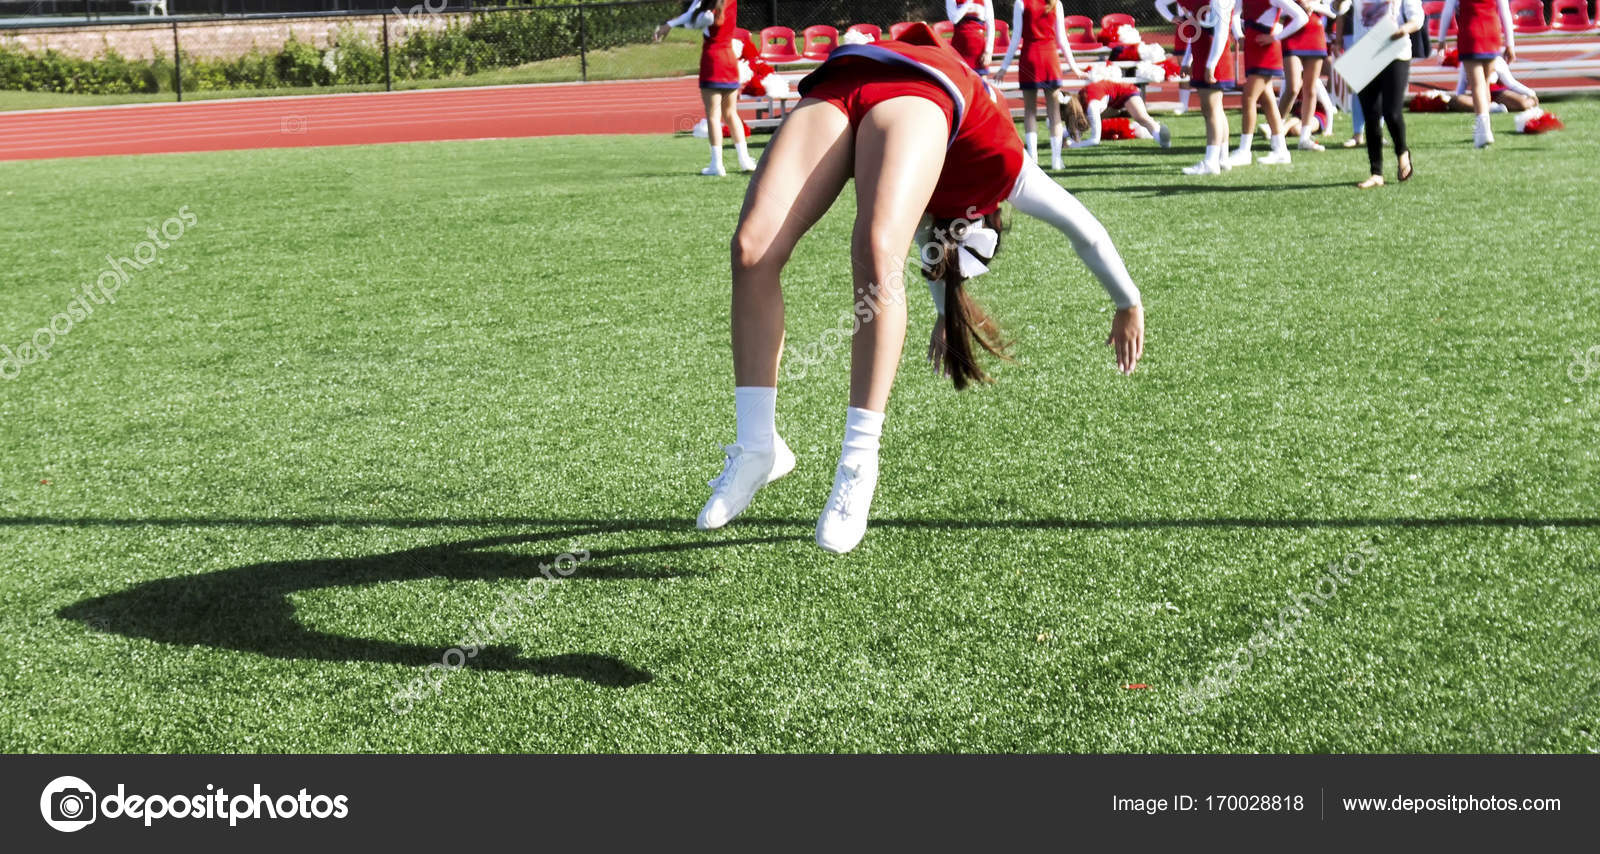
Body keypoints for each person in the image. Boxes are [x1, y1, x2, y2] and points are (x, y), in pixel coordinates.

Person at [698, 24, 1145, 553]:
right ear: (991, 221)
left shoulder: (934, 221)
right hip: (874, 72)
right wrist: (1127, 301)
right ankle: (757, 445)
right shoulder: (1007, 171)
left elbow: (935, 256)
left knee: (876, 250)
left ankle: (858, 461)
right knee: (751, 250)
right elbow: (1085, 230)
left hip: (901, 92)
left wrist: (942, 312)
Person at [655, 0, 756, 176]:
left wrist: (669, 25)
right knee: (732, 114)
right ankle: (745, 160)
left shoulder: (706, 14)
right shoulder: (731, 2)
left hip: (713, 61)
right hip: (730, 60)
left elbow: (690, 20)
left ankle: (717, 165)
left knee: (713, 116)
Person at [997, 0, 1083, 169]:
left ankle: (1034, 160)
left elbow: (1015, 39)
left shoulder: (1021, 3)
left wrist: (1003, 67)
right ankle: (1056, 160)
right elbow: (1062, 39)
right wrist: (1074, 67)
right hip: (1050, 59)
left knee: (1029, 111)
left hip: (1029, 58)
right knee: (1054, 112)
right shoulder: (1055, 3)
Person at [1351, 0, 1423, 188]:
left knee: (1392, 112)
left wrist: (1402, 30)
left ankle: (1402, 152)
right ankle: (1376, 173)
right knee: (1371, 114)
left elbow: (1417, 18)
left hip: (1395, 50)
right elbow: (1336, 9)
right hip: (1364, 51)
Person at [1229, 0, 1309, 165]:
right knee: (1268, 101)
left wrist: (1275, 37)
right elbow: (1234, 13)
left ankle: (1244, 150)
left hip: (1266, 52)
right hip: (1252, 47)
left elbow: (1301, 17)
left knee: (1249, 98)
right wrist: (1239, 35)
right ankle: (1281, 150)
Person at [1436, 0, 1515, 148]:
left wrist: (1441, 40)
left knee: (1477, 84)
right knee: (1485, 82)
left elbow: (1447, 11)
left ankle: (1483, 129)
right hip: (1492, 33)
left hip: (1470, 34)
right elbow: (1505, 11)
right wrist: (1510, 44)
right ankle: (1484, 128)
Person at [1176, 0, 1239, 174]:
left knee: (1211, 110)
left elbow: (1221, 33)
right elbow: (1196, 32)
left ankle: (1211, 162)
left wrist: (1210, 65)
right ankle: (1222, 158)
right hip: (1204, 55)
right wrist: (1188, 59)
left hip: (1213, 59)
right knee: (1215, 109)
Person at [1278, 0, 1338, 150]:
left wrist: (1314, 6)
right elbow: (1277, 10)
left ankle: (1304, 138)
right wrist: (1296, 7)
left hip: (1315, 34)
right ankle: (1276, 130)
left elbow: (1334, 10)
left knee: (1310, 89)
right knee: (1292, 87)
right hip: (1292, 33)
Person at [1061, 77, 1174, 147]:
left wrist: (1072, 146)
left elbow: (1095, 140)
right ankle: (1061, 135)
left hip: (1125, 91)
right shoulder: (1080, 99)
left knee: (1141, 117)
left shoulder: (1092, 105)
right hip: (1111, 101)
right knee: (1085, 124)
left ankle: (1162, 138)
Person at [1451, 55, 1536, 112]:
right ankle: (1493, 108)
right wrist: (1458, 99)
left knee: (1523, 104)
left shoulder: (1496, 58)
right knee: (1455, 101)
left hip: (1497, 93)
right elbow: (1462, 84)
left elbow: (1511, 83)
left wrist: (1530, 93)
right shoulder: (1466, 60)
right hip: (1477, 94)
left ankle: (1488, 107)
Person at [1155, 0, 1194, 114]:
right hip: (1185, 28)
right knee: (1184, 69)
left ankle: (1211, 102)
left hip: (1204, 26)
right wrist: (1171, 17)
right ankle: (1184, 105)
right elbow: (1159, 3)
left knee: (1205, 67)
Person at [947, 0, 998, 74]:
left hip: (979, 51)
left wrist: (988, 52)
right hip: (959, 49)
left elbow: (991, 25)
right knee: (960, 82)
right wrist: (969, 2)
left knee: (981, 83)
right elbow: (954, 19)